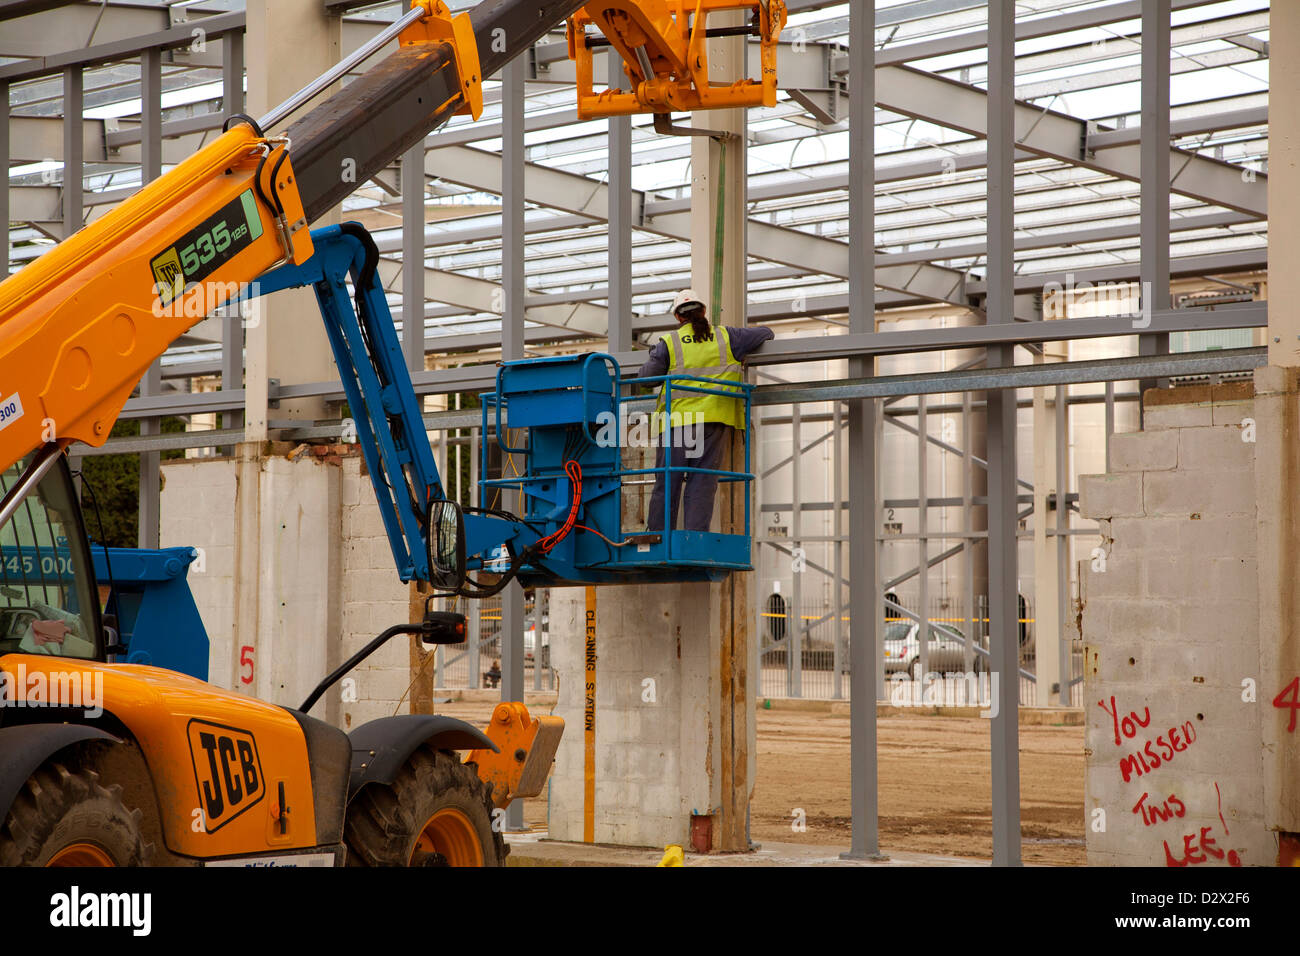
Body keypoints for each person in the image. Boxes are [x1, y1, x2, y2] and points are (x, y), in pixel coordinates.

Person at [636, 290, 773, 532]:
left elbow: (646, 379)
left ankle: (657, 537)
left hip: (677, 422)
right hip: (714, 420)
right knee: (702, 483)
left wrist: (654, 355)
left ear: (678, 317)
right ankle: (695, 540)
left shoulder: (670, 342)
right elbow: (766, 332)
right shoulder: (727, 336)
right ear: (704, 312)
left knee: (668, 481)